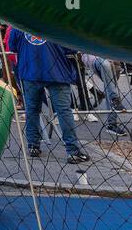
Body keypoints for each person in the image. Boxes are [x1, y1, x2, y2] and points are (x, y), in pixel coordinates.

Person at [6, 27, 90, 164]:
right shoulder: (53, 21)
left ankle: (33, 145)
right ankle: (72, 151)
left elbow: (12, 46)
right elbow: (71, 47)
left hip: (30, 71)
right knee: (63, 111)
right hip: (57, 72)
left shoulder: (19, 22)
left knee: (32, 110)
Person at [80, 52, 128, 137]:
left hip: (108, 55)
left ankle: (112, 124)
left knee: (112, 78)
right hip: (90, 54)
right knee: (105, 65)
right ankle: (114, 99)